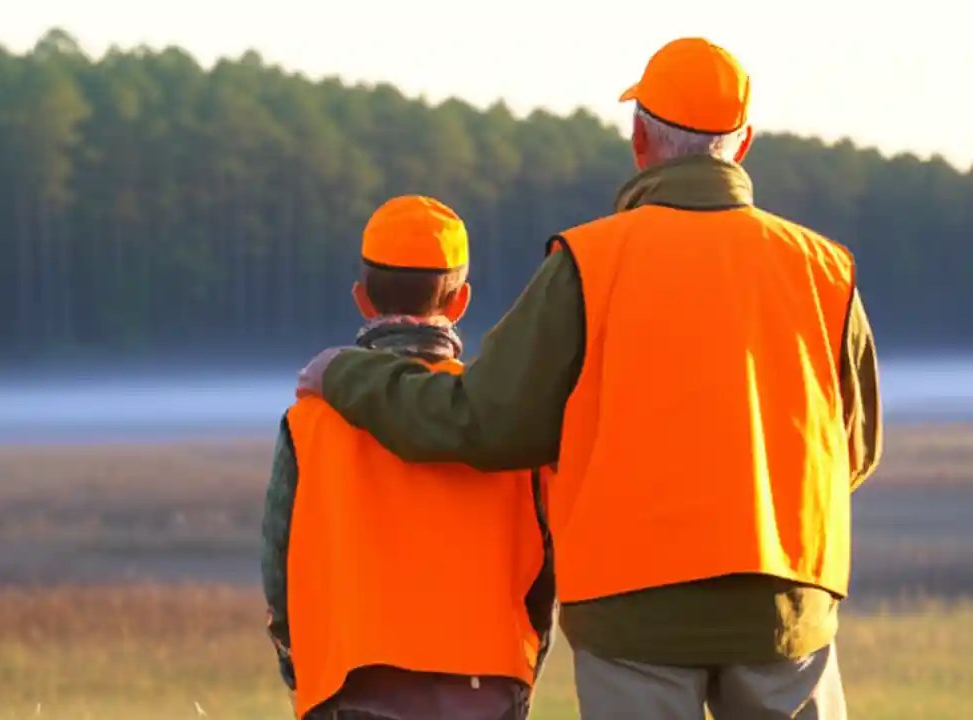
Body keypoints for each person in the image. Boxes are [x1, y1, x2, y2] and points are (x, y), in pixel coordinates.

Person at [296, 38, 882, 720]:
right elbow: (854, 450)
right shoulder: (823, 270)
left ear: (638, 139)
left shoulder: (590, 264)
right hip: (789, 606)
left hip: (632, 615)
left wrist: (350, 376)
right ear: (744, 143)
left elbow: (484, 421)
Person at [262, 195, 557, 720]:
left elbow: (280, 569)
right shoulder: (503, 419)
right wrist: (521, 675)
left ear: (362, 299)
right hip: (485, 685)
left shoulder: (310, 422)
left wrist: (301, 672)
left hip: (349, 685)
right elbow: (544, 571)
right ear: (461, 300)